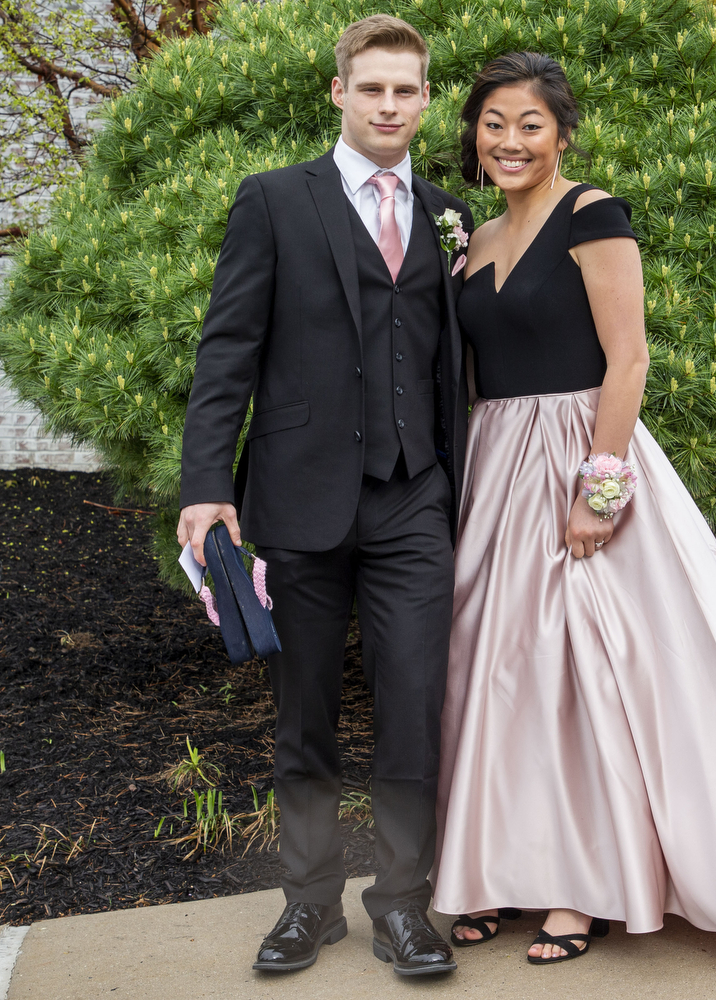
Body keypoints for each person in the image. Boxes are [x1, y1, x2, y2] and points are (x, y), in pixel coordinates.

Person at [433, 52, 716, 969]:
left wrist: (600, 489)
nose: (509, 140)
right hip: (495, 469)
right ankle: (495, 872)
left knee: (586, 677)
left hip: (582, 454)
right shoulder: (472, 239)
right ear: (473, 135)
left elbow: (629, 359)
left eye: (528, 123)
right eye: (492, 123)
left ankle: (584, 891)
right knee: (496, 675)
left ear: (561, 132)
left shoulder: (592, 213)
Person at [178, 15, 473, 978]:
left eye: (407, 90)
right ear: (338, 93)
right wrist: (204, 487)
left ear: (425, 100)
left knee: (413, 705)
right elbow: (228, 350)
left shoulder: (445, 211)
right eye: (372, 88)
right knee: (303, 713)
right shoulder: (273, 201)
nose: (390, 105)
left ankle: (400, 904)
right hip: (297, 499)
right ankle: (309, 904)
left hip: (412, 498)